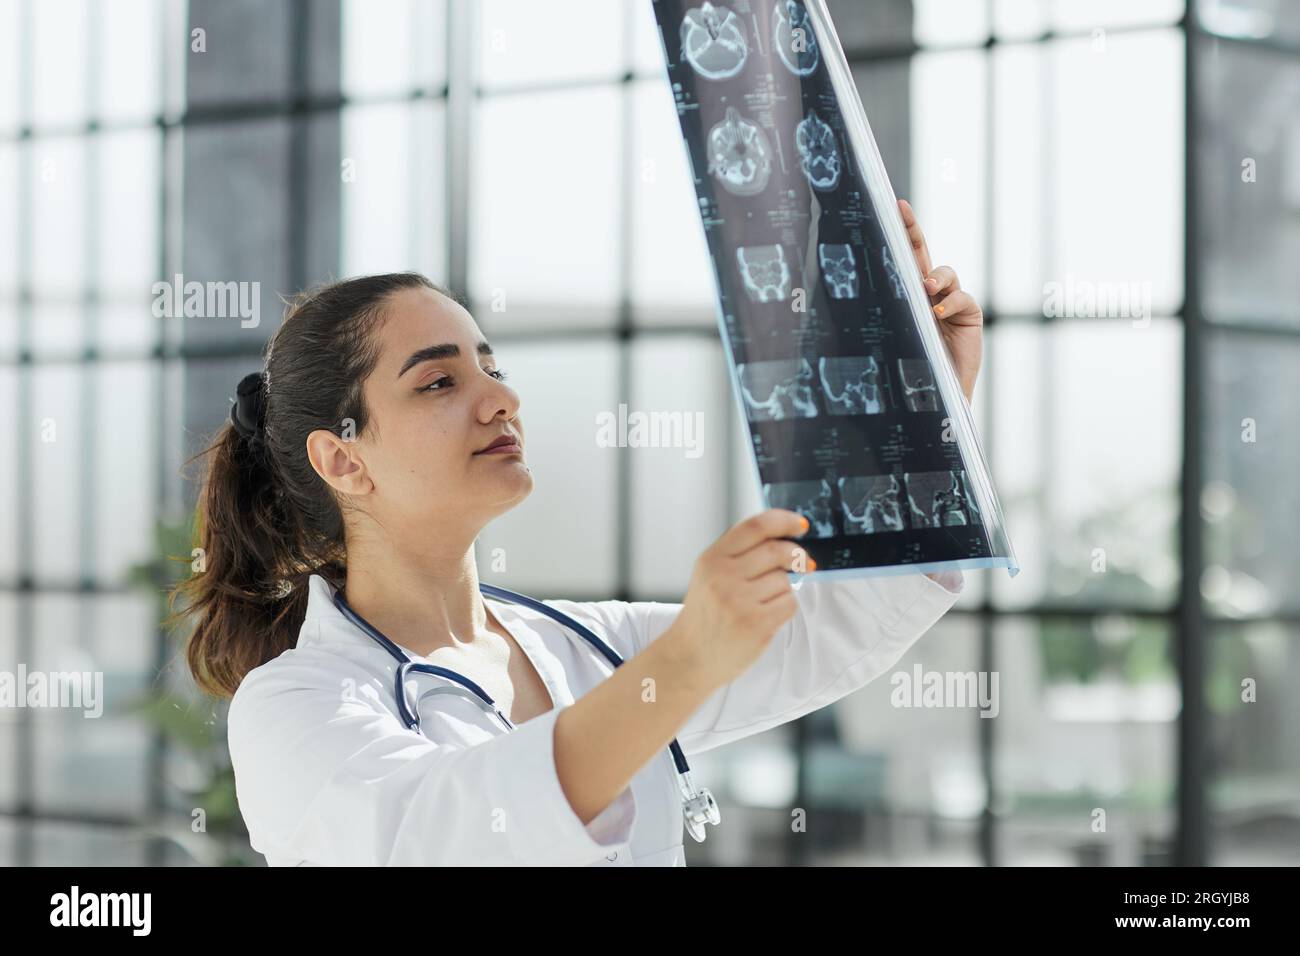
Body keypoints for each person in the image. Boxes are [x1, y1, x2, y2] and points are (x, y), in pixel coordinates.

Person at [169, 199, 981, 867]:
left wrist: (922, 407)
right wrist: (688, 657)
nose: (499, 399)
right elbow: (452, 832)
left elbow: (833, 630)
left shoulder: (587, 643)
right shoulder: (294, 705)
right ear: (342, 460)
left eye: (493, 368)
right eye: (440, 381)